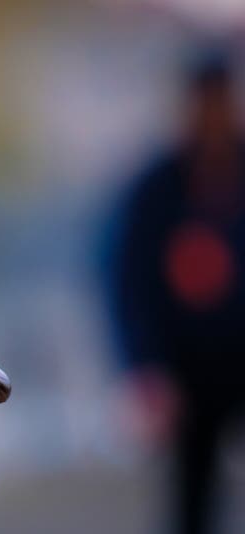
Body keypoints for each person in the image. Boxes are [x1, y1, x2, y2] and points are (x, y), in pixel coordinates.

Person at [111, 49, 245, 534]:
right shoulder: (156, 189)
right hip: (186, 374)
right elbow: (129, 284)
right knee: (192, 502)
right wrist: (144, 369)